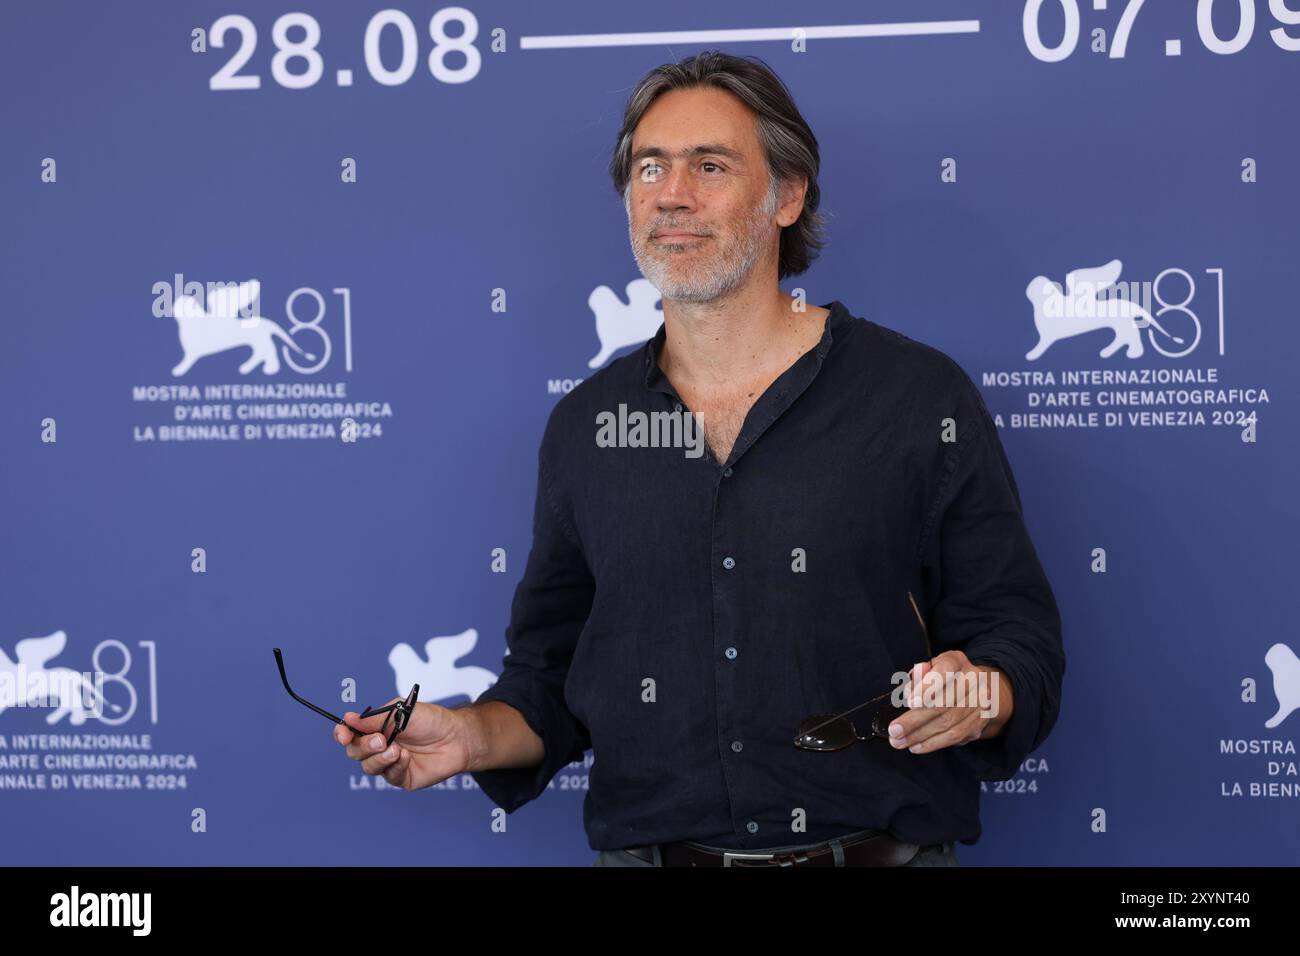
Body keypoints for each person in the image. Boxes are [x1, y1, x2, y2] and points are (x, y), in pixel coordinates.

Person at [335, 50, 1065, 867]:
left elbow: (1016, 635)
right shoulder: (588, 426)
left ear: (788, 195)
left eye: (709, 165)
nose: (671, 194)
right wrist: (469, 736)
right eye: (650, 168)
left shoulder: (917, 396)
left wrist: (982, 692)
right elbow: (551, 679)